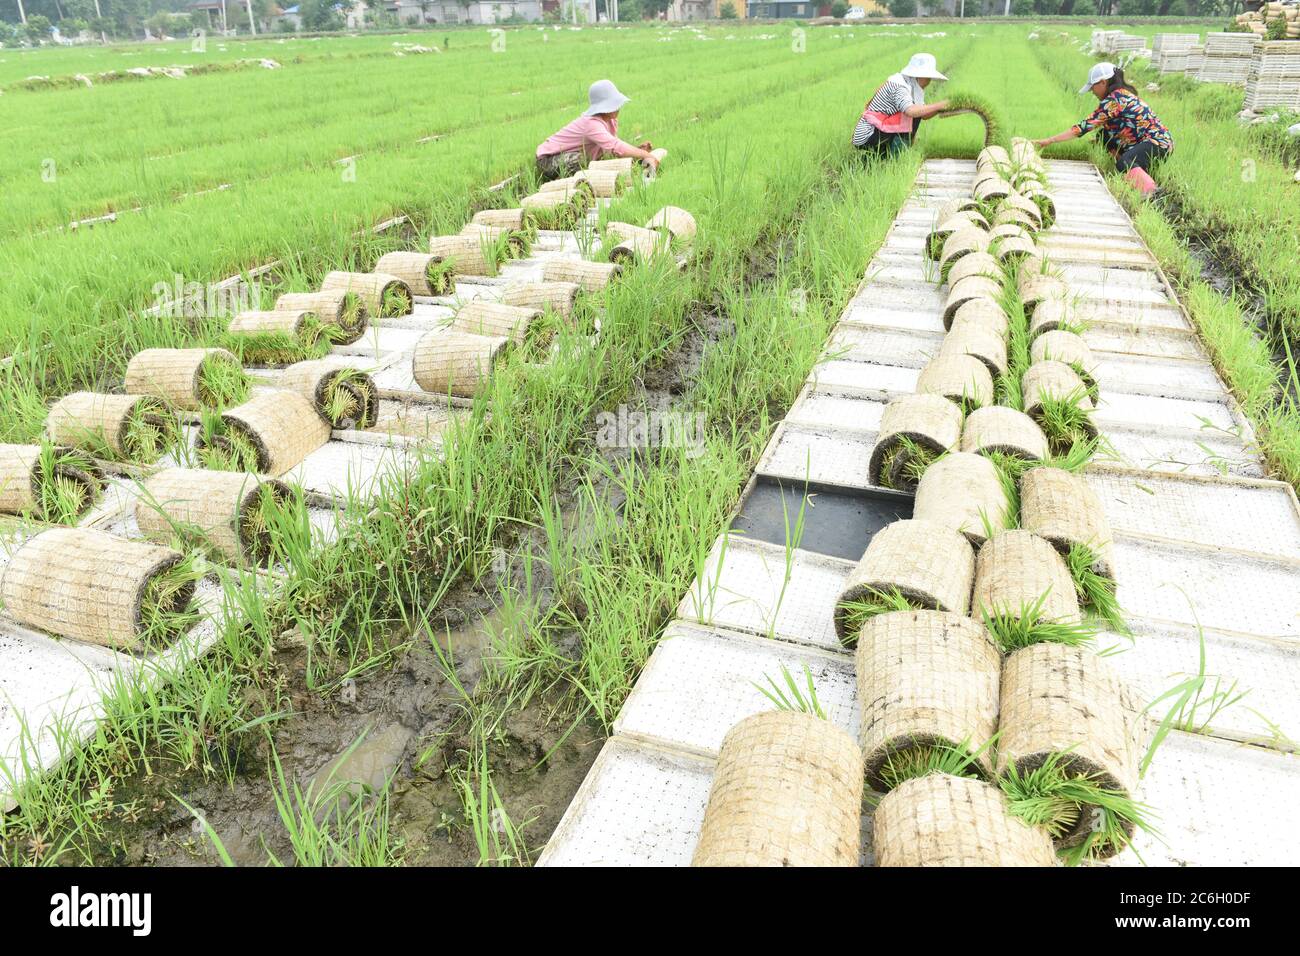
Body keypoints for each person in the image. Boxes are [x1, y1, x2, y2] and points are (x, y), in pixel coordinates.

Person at [1033, 62, 1173, 198]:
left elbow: (1082, 127)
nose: (1092, 92)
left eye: (1092, 87)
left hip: (1157, 143)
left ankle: (1152, 192)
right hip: (1151, 143)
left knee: (1124, 161)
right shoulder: (1121, 94)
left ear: (1103, 82)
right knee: (1103, 136)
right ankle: (1134, 177)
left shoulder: (1114, 100)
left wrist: (1049, 140)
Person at [535, 80, 660, 181]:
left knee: (591, 163)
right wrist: (646, 155)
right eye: (614, 104)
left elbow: (612, 150)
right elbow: (616, 147)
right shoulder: (591, 123)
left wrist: (638, 150)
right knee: (581, 161)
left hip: (571, 157)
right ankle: (562, 183)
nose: (619, 107)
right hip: (548, 160)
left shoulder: (610, 120)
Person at [852, 53, 952, 158]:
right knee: (914, 116)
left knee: (917, 113)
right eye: (928, 77)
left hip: (878, 132)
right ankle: (894, 157)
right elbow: (911, 111)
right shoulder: (900, 86)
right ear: (919, 76)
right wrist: (939, 105)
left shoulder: (912, 85)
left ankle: (883, 158)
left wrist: (941, 109)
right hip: (866, 135)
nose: (929, 81)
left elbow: (924, 115)